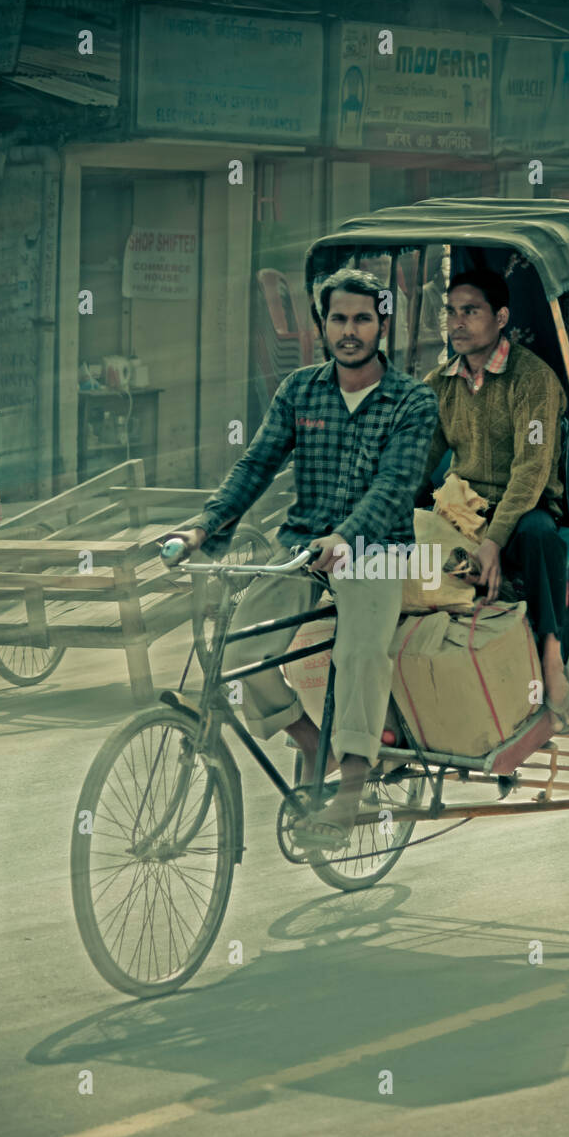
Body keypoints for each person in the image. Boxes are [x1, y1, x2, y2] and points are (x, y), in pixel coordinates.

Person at [164, 267, 439, 848]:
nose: (350, 330)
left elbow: (395, 485)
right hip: (301, 547)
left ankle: (351, 791)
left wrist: (346, 536)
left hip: (376, 550)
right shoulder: (300, 390)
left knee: (360, 650)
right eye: (338, 318)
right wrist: (203, 527)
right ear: (322, 325)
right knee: (235, 644)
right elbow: (255, 464)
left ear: (382, 324)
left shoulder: (412, 400)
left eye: (363, 318)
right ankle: (314, 743)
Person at [417, 267, 569, 733]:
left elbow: (530, 472)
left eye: (470, 311)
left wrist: (492, 541)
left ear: (501, 316)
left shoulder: (533, 379)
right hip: (459, 510)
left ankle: (551, 659)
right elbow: (419, 461)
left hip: (524, 508)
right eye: (450, 312)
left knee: (539, 539)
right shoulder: (440, 383)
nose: (457, 323)